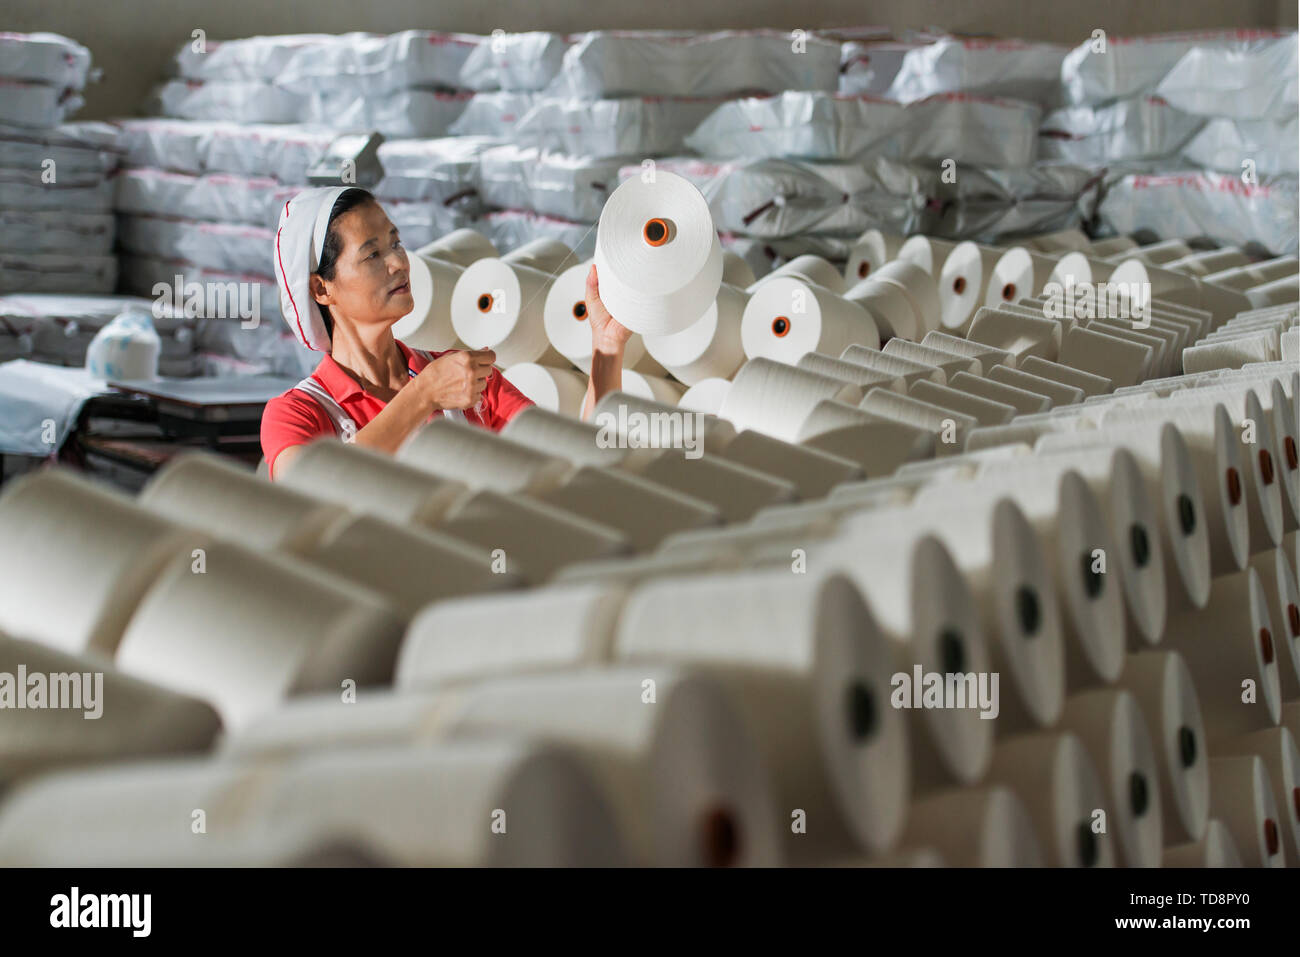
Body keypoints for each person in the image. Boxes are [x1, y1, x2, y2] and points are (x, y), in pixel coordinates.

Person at [261, 186, 631, 479]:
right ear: (321, 289)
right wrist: (422, 396)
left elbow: (576, 464)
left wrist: (607, 349)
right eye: (372, 255)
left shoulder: (465, 379)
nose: (398, 262)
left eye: (396, 242)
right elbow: (310, 487)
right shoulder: (298, 414)